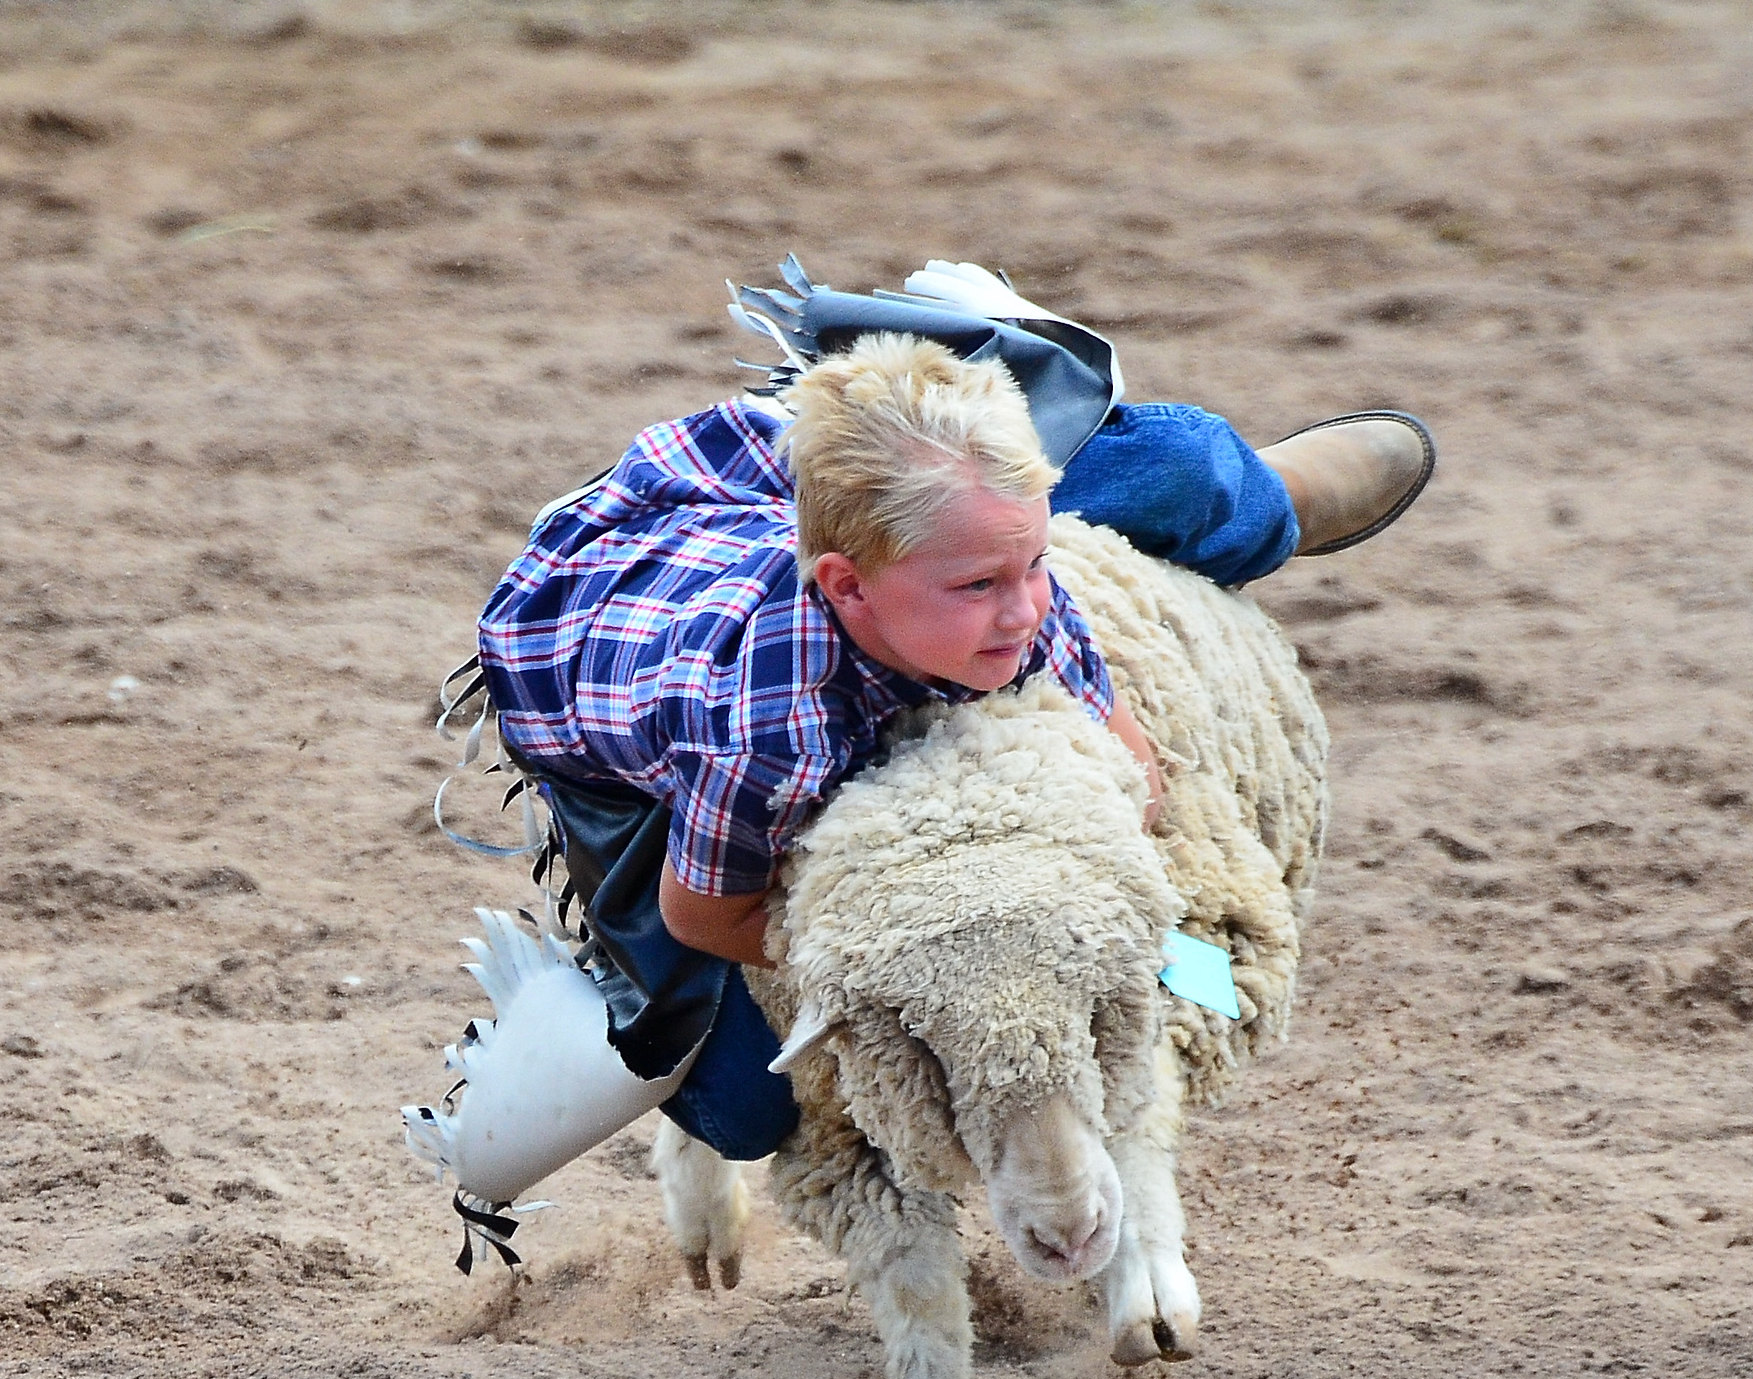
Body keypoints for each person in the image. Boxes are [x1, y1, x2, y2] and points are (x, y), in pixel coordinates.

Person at [475, 262, 1434, 1165]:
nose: (1024, 609)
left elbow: (1132, 776)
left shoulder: (1018, 604)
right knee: (745, 1109)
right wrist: (925, 944)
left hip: (805, 492)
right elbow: (706, 912)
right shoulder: (770, 727)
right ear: (848, 590)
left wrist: (1088, 911)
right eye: (986, 584)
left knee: (1163, 471)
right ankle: (603, 961)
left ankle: (1267, 503)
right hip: (602, 652)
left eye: (1034, 570)